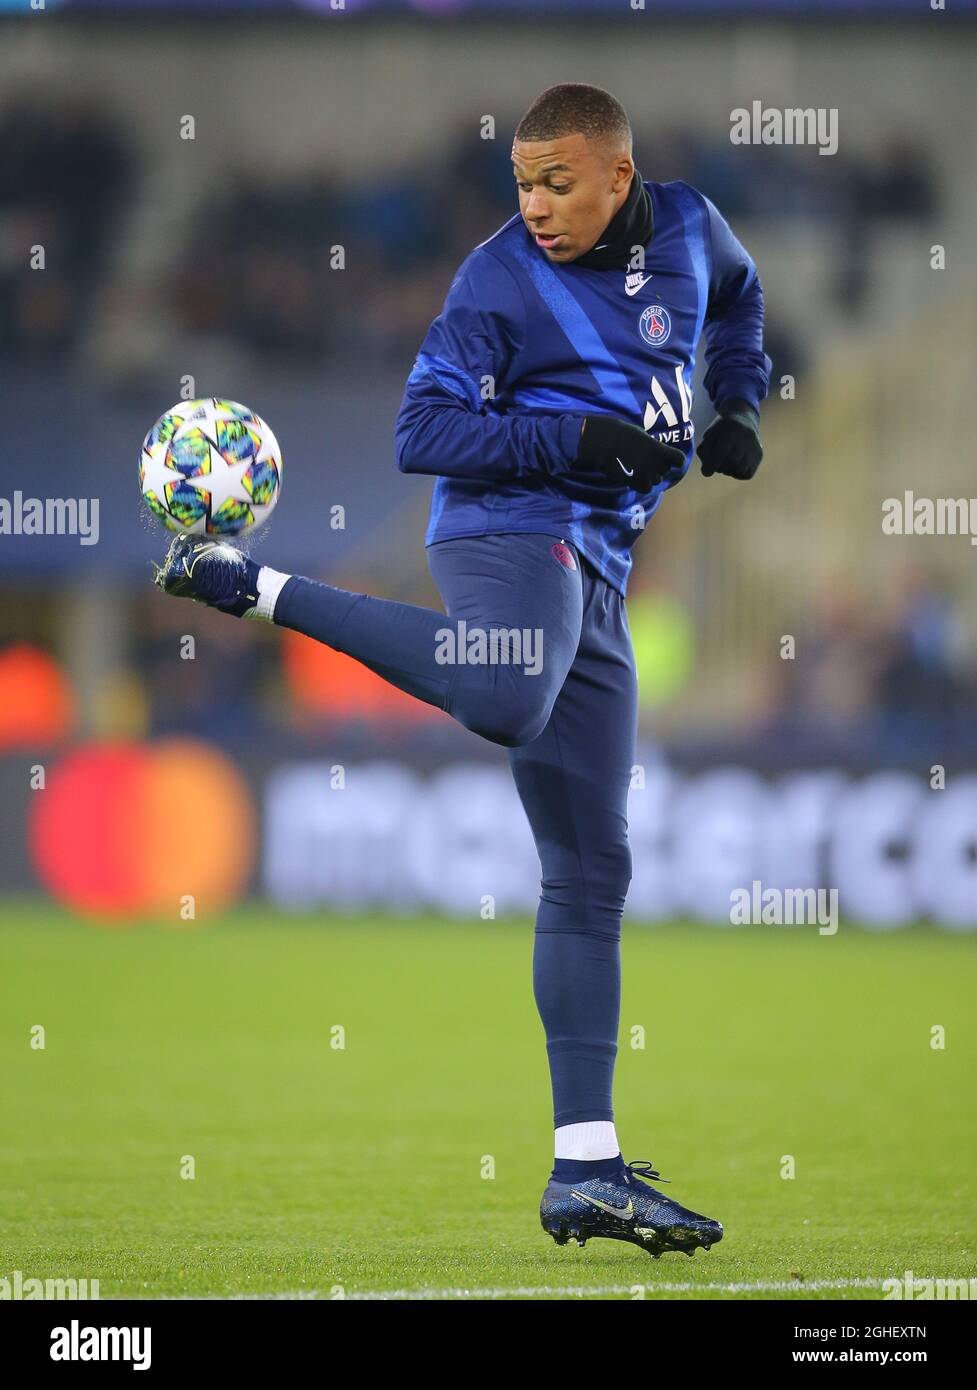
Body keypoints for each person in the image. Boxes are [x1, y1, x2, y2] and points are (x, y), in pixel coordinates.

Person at [154, 82, 771, 1258]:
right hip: (508, 524)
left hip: (596, 563)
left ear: (618, 178)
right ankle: (254, 585)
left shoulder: (693, 230)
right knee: (499, 693)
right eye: (520, 184)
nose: (534, 206)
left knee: (592, 865)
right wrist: (574, 437)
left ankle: (584, 1169)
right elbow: (420, 432)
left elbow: (740, 301)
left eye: (556, 184)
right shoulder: (497, 278)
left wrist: (736, 399)